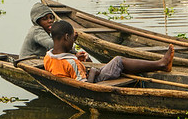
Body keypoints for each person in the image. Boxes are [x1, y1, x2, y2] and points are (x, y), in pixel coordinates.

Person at [44, 20, 174, 82]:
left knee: (116, 66)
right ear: (66, 37)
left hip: (81, 76)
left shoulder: (48, 56)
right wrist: (93, 72)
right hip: (96, 80)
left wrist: (76, 55)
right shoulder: (72, 63)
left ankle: (154, 65)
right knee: (118, 61)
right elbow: (86, 86)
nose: (74, 41)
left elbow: (61, 65)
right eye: (73, 38)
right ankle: (161, 64)